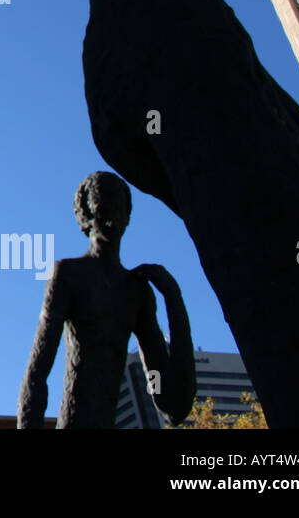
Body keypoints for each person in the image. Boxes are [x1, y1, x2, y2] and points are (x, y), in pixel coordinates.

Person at [17, 171, 194, 428]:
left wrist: (173, 298)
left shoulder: (136, 291)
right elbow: (37, 371)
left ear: (128, 216)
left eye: (118, 204)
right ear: (86, 215)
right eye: (104, 202)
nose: (112, 211)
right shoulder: (69, 275)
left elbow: (172, 404)